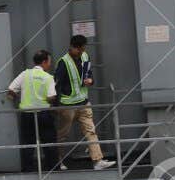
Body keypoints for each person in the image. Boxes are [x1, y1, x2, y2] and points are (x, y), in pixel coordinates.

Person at [55, 34, 112, 170]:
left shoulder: (85, 56)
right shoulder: (63, 62)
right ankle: (58, 163)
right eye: (79, 50)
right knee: (62, 136)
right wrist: (56, 106)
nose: (81, 52)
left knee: (91, 131)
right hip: (67, 106)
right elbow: (57, 85)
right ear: (72, 47)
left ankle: (98, 161)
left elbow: (88, 74)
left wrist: (90, 80)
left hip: (83, 103)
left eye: (82, 49)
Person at [7, 49, 58, 172]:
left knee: (28, 143)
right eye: (49, 61)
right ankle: (52, 169)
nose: (50, 64)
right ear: (44, 62)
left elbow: (11, 89)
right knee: (49, 142)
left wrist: (17, 96)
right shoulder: (48, 77)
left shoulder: (25, 74)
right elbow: (52, 97)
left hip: (27, 115)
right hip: (44, 114)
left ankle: (27, 169)